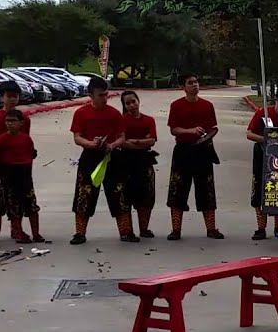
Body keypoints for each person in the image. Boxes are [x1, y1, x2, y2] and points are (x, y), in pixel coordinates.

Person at [69, 76, 130, 245]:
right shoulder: (81, 113)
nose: (104, 98)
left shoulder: (114, 113)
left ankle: (125, 231)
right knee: (84, 194)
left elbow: (122, 137)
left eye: (106, 94)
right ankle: (80, 233)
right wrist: (90, 143)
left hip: (112, 156)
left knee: (118, 194)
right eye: (101, 95)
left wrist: (111, 145)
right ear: (91, 95)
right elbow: (77, 137)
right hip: (90, 156)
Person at [165, 73, 221, 240]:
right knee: (178, 189)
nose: (195, 85)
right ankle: (176, 230)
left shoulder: (207, 105)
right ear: (184, 87)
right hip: (183, 150)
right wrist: (190, 131)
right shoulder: (176, 106)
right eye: (190, 83)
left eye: (196, 82)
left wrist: (206, 136)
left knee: (207, 189)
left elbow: (213, 127)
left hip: (203, 150)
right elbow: (174, 129)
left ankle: (211, 229)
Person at [245, 89, 278, 240]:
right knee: (259, 191)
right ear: (275, 101)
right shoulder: (263, 113)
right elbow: (249, 133)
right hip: (262, 155)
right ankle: (261, 228)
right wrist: (265, 139)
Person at [0, 80, 28, 243]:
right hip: (0, 166)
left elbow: (26, 140)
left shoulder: (24, 118)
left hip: (19, 165)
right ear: (2, 97)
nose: (12, 100)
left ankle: (17, 230)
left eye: (15, 96)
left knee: (18, 198)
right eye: (9, 96)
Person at [0, 109, 43, 244]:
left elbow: (31, 154)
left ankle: (36, 233)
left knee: (31, 204)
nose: (9, 124)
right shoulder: (1, 139)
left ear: (21, 123)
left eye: (13, 121)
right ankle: (18, 232)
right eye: (7, 121)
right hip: (9, 175)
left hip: (25, 175)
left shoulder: (26, 138)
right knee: (14, 206)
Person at [117, 91, 159, 237]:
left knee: (146, 195)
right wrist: (141, 142)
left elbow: (152, 140)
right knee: (126, 195)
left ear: (138, 101)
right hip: (125, 161)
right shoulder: (121, 121)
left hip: (145, 160)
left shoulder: (149, 120)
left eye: (133, 101)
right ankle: (127, 230)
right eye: (127, 103)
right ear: (124, 106)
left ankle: (144, 229)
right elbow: (122, 142)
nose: (132, 105)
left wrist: (134, 142)